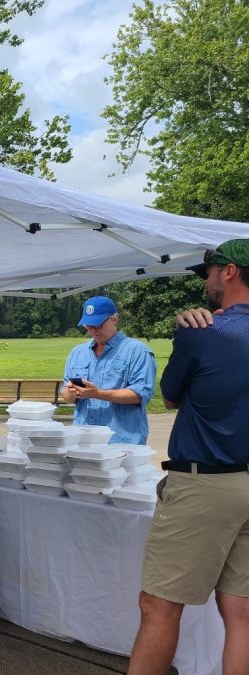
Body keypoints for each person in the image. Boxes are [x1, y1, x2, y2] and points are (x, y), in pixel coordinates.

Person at [127, 240, 249, 675]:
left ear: (229, 272)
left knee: (159, 605)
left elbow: (171, 396)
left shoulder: (204, 332)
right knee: (241, 613)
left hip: (205, 483)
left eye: (211, 273)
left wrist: (195, 329)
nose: (208, 283)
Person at [61, 295, 156, 444]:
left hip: (122, 442)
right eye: (88, 325)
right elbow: (66, 397)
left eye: (98, 324)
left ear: (115, 319)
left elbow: (140, 394)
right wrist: (72, 392)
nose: (93, 330)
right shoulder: (77, 353)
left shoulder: (137, 351)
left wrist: (97, 394)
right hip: (83, 440)